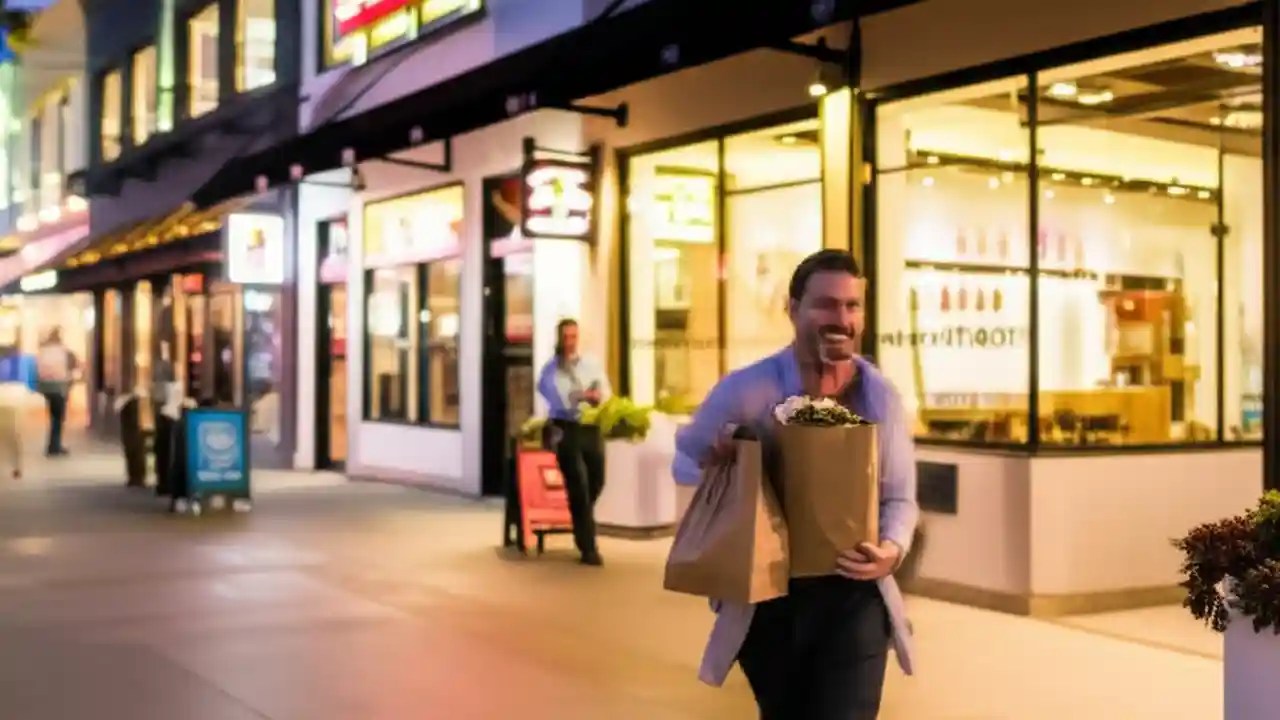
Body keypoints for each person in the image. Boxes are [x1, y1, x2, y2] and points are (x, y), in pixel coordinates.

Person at [672, 249, 919, 719]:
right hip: (768, 599)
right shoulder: (748, 389)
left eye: (852, 306)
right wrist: (721, 451)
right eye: (826, 304)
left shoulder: (880, 396)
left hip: (855, 595)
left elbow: (901, 497)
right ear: (793, 309)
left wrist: (892, 548)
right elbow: (686, 458)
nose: (841, 318)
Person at [536, 318, 610, 567]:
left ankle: (581, 517)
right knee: (578, 483)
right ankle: (589, 548)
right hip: (566, 429)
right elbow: (557, 397)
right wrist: (579, 395)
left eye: (574, 337)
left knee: (596, 480)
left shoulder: (591, 363)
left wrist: (596, 395)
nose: (570, 342)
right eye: (566, 337)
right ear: (559, 338)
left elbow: (605, 389)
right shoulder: (551, 370)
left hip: (591, 427)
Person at [36, 327, 77, 457]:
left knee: (53, 416)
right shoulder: (62, 351)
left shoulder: (43, 350)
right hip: (59, 387)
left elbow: (37, 369)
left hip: (47, 388)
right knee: (58, 418)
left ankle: (52, 445)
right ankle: (54, 446)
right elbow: (72, 365)